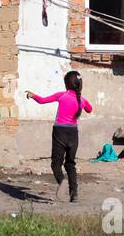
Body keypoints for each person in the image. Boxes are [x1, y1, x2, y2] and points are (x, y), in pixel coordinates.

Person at [25, 71, 92, 202]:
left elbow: (42, 101)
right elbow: (90, 109)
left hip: (59, 132)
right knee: (70, 164)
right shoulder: (82, 101)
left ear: (66, 84)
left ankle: (62, 182)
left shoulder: (61, 95)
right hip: (73, 134)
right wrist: (81, 101)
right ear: (79, 85)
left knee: (56, 164)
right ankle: (74, 194)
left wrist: (32, 95)